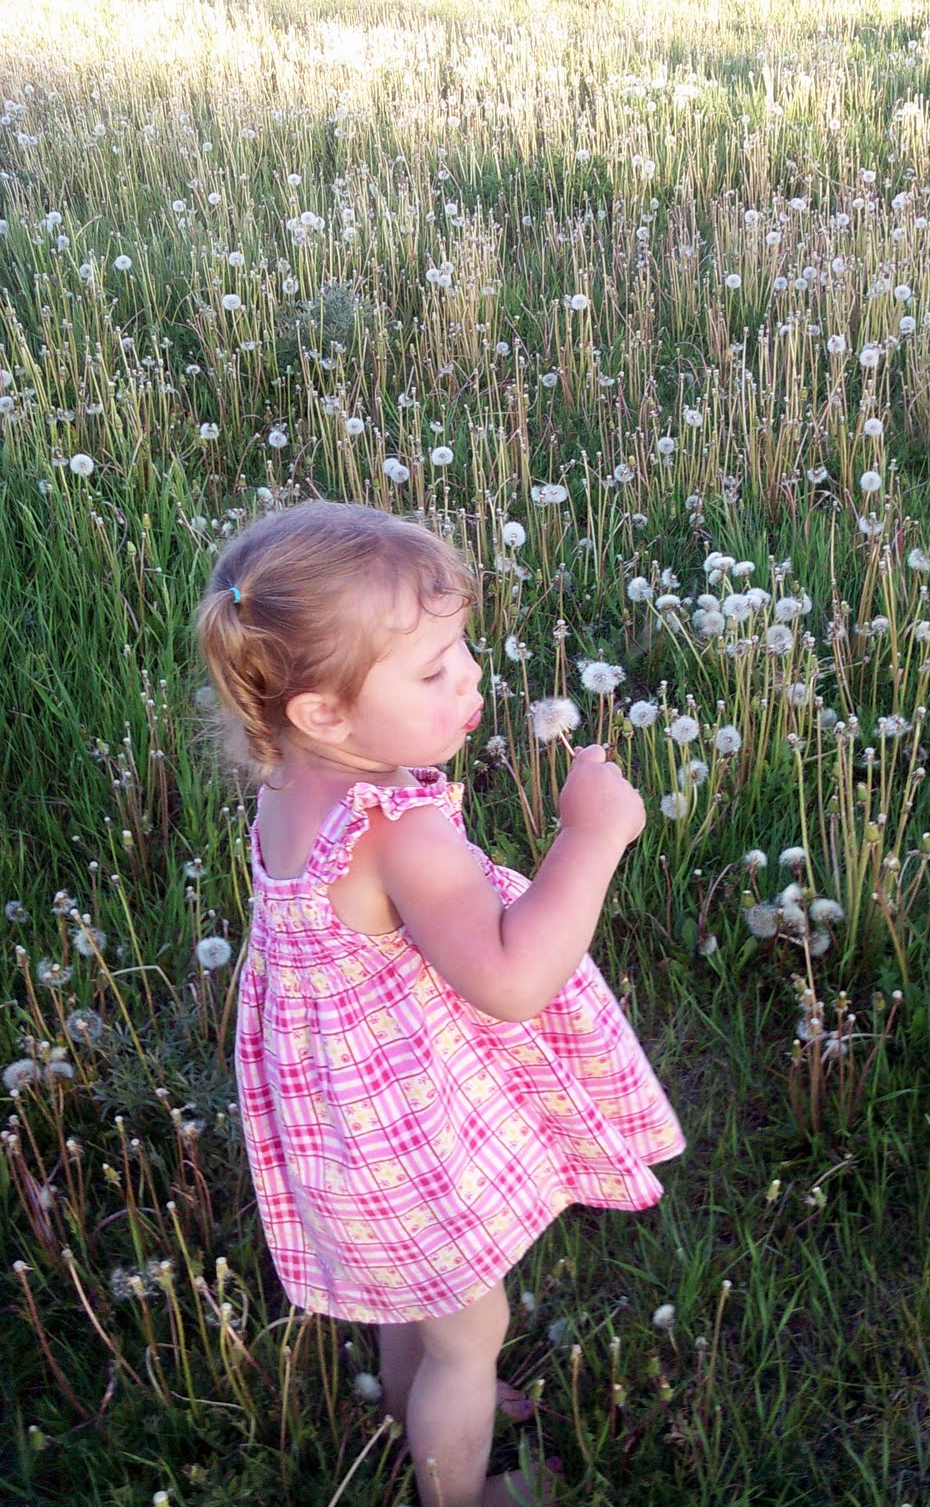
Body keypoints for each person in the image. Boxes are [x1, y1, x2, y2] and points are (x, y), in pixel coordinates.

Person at [194, 499, 685, 1507]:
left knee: (413, 1298)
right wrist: (590, 838)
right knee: (473, 1330)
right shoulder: (399, 825)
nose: (471, 679)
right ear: (324, 712)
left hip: (351, 1119)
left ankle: (407, 1391)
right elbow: (510, 980)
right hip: (412, 1139)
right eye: (432, 671)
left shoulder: (294, 782)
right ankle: (457, 1481)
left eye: (460, 650)